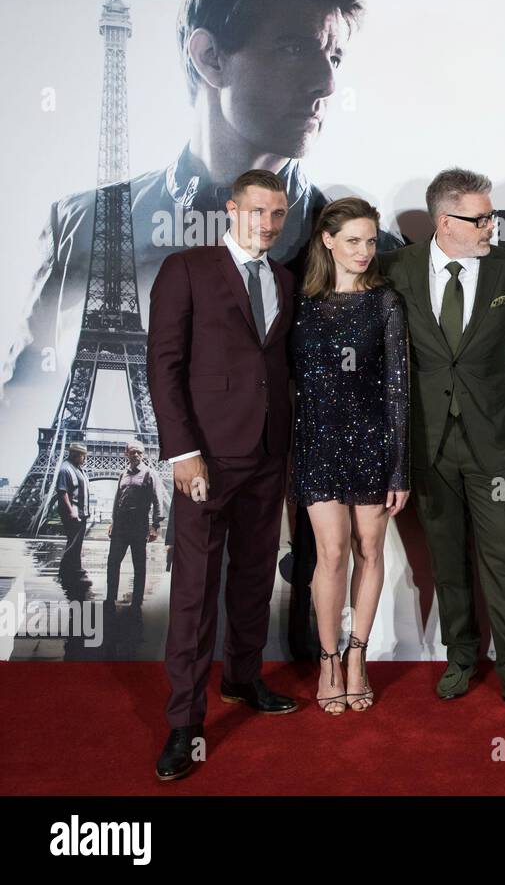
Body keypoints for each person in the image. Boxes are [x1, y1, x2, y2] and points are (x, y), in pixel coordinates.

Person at [5, 0, 400, 660]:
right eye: (292, 48)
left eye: (334, 57)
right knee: (184, 599)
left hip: (291, 487)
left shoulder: (357, 245)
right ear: (209, 56)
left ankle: (255, 683)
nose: (326, 83)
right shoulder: (87, 223)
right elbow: (23, 393)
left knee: (258, 601)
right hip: (186, 472)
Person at [378, 168, 505, 718]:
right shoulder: (397, 269)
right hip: (427, 443)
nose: (490, 227)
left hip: (492, 444)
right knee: (448, 559)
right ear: (444, 222)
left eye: (492, 217)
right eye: (479, 219)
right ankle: (460, 657)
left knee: (504, 559)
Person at [147, 169, 300, 781]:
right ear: (232, 210)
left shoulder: (285, 279)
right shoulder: (187, 268)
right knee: (194, 587)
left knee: (256, 576)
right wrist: (183, 453)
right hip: (206, 457)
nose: (267, 224)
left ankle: (243, 678)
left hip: (268, 452)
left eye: (278, 213)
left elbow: (276, 365)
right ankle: (184, 722)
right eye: (257, 211)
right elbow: (164, 364)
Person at [290, 197, 410, 714]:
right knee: (332, 552)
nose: (364, 251)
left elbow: (399, 389)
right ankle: (327, 660)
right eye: (354, 241)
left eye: (371, 240)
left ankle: (357, 657)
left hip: (372, 441)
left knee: (369, 548)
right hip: (316, 441)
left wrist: (400, 466)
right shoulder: (301, 300)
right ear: (328, 240)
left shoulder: (385, 302)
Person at [105, 441, 163, 610]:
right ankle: (110, 599)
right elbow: (117, 501)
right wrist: (113, 522)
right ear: (126, 454)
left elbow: (157, 500)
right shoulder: (122, 474)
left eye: (139, 452)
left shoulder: (150, 474)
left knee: (139, 566)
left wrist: (155, 526)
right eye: (132, 452)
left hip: (139, 524)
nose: (136, 455)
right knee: (113, 562)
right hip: (121, 525)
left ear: (143, 455)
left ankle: (136, 602)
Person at [55, 443, 91, 574]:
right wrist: (70, 511)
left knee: (76, 542)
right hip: (74, 513)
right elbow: (62, 491)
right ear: (76, 455)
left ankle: (75, 567)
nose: (85, 459)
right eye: (84, 456)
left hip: (81, 512)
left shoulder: (77, 468)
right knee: (73, 542)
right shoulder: (66, 469)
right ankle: (65, 570)